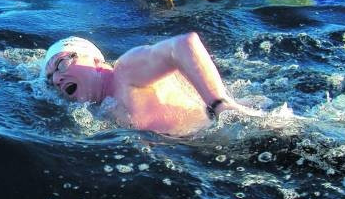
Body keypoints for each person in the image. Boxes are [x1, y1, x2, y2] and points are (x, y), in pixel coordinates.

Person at [40, 32, 263, 136]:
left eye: (61, 64)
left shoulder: (126, 71)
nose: (57, 79)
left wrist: (220, 104)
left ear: (96, 60)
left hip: (241, 131)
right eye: (51, 79)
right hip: (205, 149)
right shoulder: (100, 108)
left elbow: (184, 44)